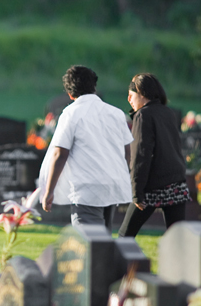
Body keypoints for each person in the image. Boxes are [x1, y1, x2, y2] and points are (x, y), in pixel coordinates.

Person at [38, 65, 133, 232]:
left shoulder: (71, 114)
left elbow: (60, 154)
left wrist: (49, 190)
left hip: (86, 188)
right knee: (103, 239)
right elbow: (127, 152)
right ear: (94, 87)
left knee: (90, 243)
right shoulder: (116, 113)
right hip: (111, 185)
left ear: (70, 93)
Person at [118, 73, 191, 237]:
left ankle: (120, 264)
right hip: (176, 184)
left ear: (142, 94)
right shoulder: (168, 112)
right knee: (177, 241)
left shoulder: (143, 115)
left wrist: (137, 192)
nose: (129, 100)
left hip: (153, 186)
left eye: (131, 95)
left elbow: (140, 155)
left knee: (125, 235)